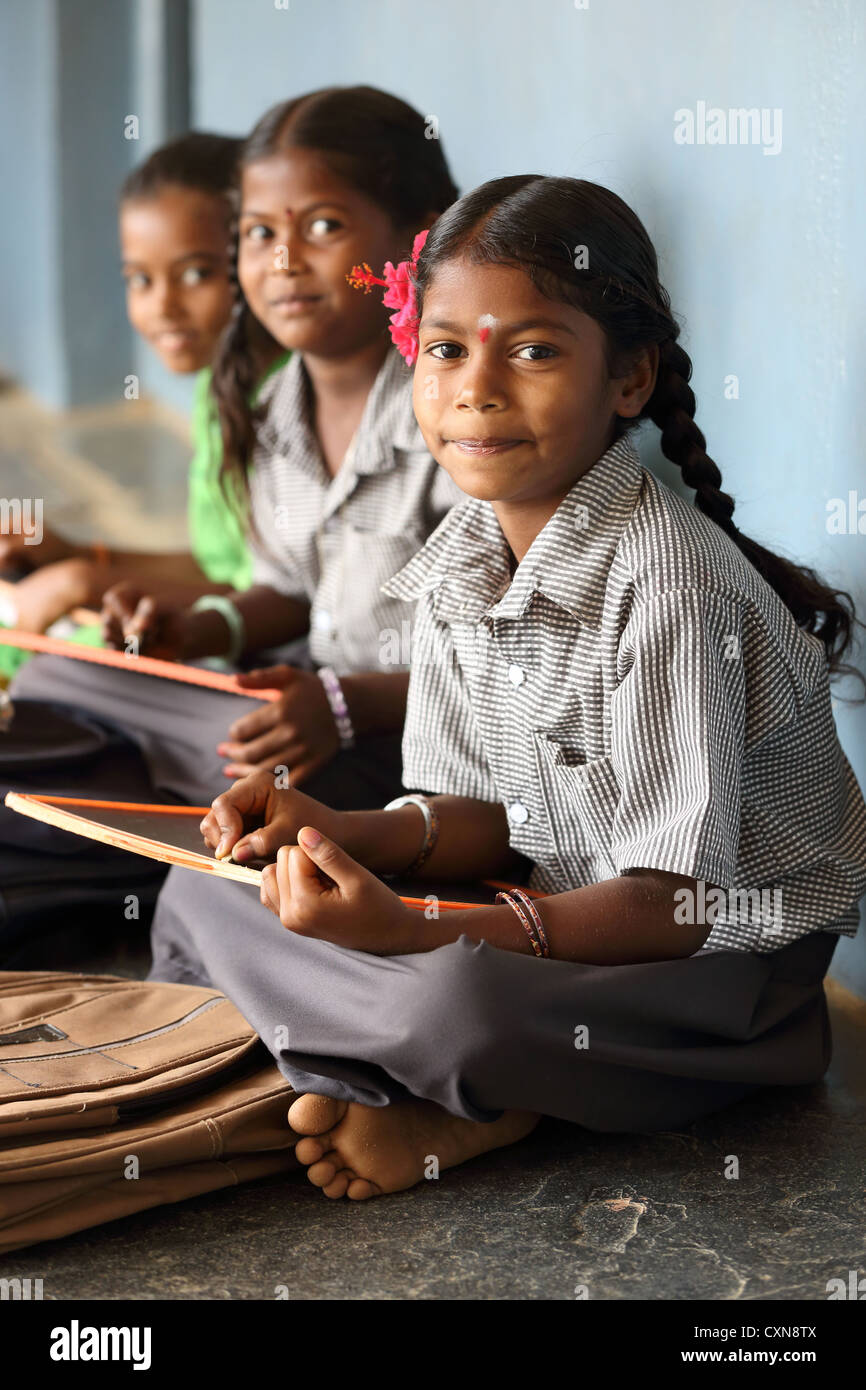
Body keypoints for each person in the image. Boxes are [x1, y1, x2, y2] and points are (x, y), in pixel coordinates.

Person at [150, 175, 866, 1201]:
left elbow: (674, 904)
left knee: (456, 1008)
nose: (474, 388)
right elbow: (485, 814)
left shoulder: (670, 584)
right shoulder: (459, 559)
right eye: (445, 351)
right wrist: (343, 832)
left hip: (707, 962)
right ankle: (438, 1084)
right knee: (196, 882)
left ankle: (458, 1080)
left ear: (626, 379)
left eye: (531, 350)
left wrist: (416, 931)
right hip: (555, 910)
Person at [8, 87, 463, 807]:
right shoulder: (274, 410)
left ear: (420, 239)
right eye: (257, 233)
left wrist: (343, 708)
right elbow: (285, 591)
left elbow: (509, 668)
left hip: (416, 748)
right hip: (303, 711)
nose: (282, 260)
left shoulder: (458, 418)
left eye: (322, 226)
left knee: (175, 772)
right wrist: (191, 630)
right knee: (55, 676)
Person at [0, 133, 284, 683]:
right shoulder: (218, 386)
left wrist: (88, 582)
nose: (163, 306)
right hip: (214, 615)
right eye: (141, 279)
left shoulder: (286, 408)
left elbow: (269, 602)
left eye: (197, 273)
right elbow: (218, 566)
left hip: (252, 653)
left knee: (46, 673)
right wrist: (81, 556)